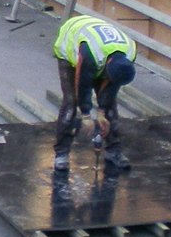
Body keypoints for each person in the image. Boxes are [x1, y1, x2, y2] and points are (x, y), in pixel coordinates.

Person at [51, 15, 137, 173]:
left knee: (111, 107)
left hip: (100, 55)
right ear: (108, 66)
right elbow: (82, 84)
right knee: (71, 103)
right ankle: (61, 153)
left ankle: (114, 150)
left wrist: (102, 111)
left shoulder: (130, 52)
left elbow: (112, 86)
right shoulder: (91, 52)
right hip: (71, 42)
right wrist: (85, 114)